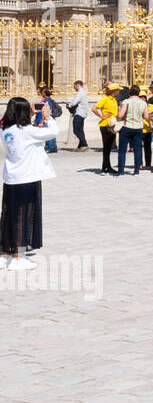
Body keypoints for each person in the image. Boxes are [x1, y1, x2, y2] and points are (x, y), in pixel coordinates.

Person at [2, 97, 58, 270]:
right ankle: (19, 256)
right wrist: (47, 117)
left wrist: (30, 116)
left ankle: (5, 253)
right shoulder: (27, 130)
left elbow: (23, 132)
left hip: (11, 178)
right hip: (27, 178)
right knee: (24, 216)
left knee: (8, 214)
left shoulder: (5, 129)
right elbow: (53, 132)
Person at [115, 85, 148, 176]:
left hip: (127, 126)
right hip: (138, 128)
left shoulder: (126, 101)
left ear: (130, 92)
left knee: (122, 150)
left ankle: (121, 171)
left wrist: (120, 112)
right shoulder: (143, 103)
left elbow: (120, 115)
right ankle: (136, 171)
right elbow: (146, 117)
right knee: (137, 149)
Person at [92, 82, 120, 175]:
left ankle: (105, 168)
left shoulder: (114, 100)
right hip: (105, 125)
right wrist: (101, 116)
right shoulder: (105, 99)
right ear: (114, 91)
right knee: (107, 148)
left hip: (112, 125)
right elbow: (94, 108)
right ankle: (107, 168)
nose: (119, 91)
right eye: (118, 90)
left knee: (108, 148)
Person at [68, 80, 90, 151]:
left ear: (77, 85)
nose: (74, 87)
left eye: (74, 86)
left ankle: (84, 144)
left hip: (79, 113)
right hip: (83, 113)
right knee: (80, 130)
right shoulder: (83, 92)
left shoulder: (80, 92)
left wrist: (69, 105)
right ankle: (80, 146)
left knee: (76, 130)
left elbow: (75, 101)